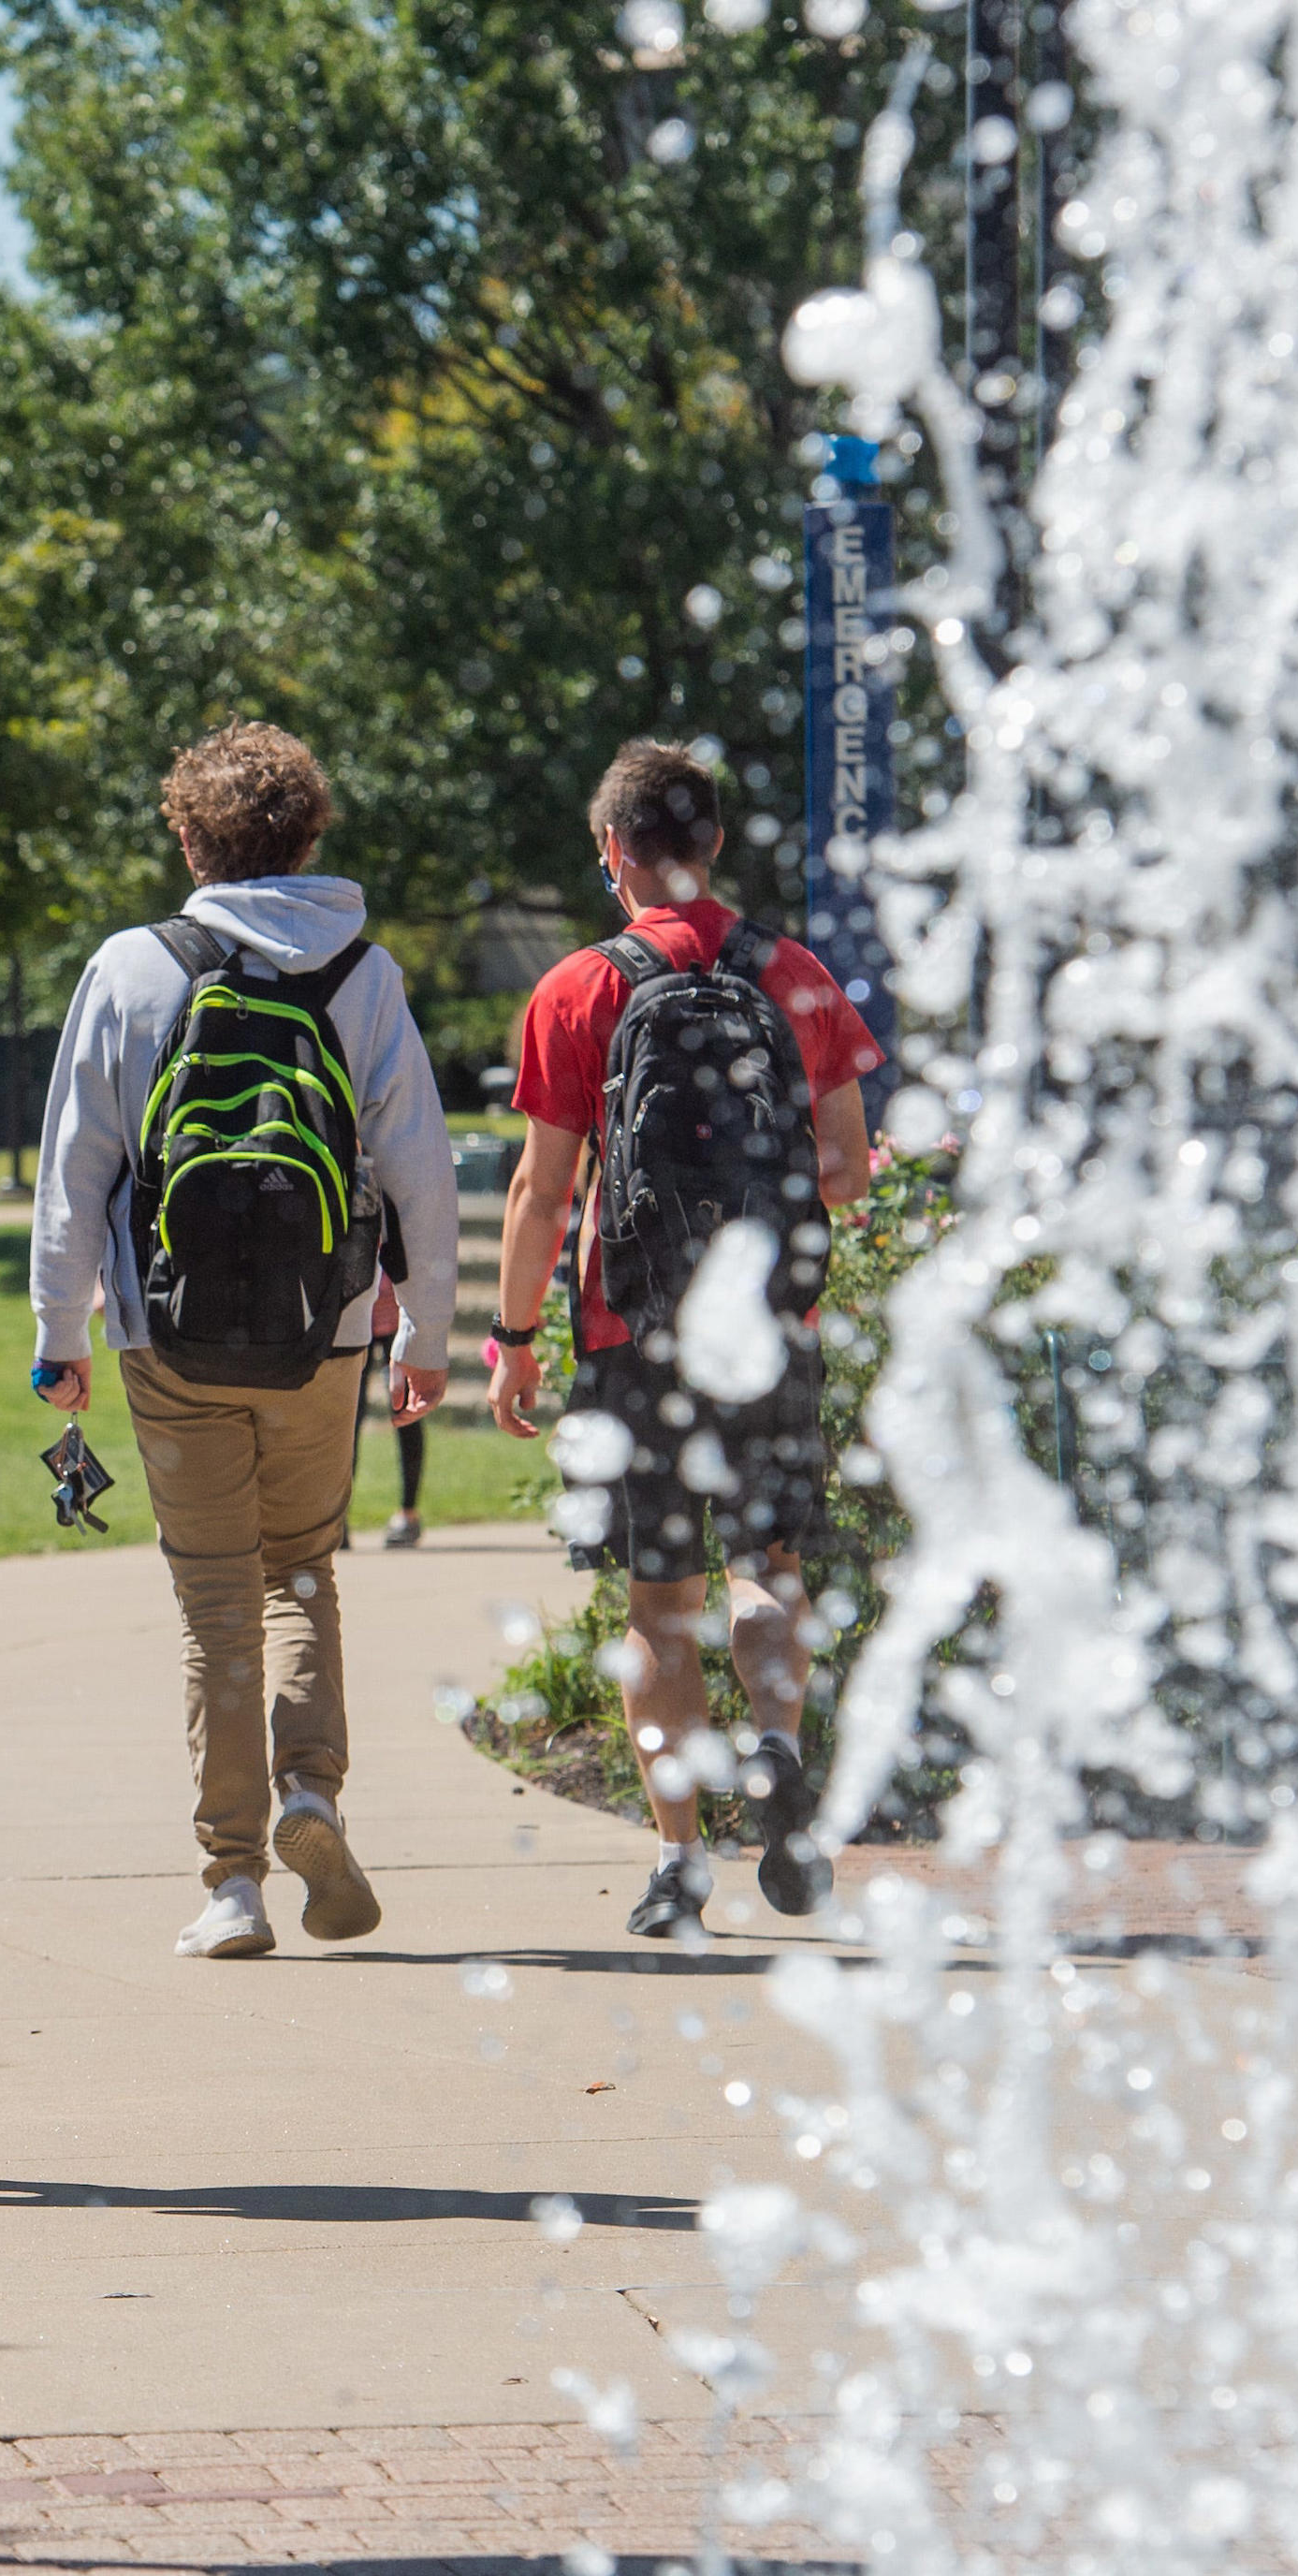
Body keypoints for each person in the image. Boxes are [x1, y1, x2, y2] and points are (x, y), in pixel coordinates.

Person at [27, 724, 460, 1961]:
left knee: (213, 1594)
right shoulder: (363, 977)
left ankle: (231, 1883)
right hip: (323, 1336)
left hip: (169, 1334)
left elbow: (75, 1172)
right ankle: (311, 1792)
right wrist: (422, 1334)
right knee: (303, 1567)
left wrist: (61, 1333)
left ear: (186, 836)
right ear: (313, 834)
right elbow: (419, 1168)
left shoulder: (129, 966)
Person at [487, 739, 882, 1938]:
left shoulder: (578, 988)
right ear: (712, 844)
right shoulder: (795, 973)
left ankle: (678, 1868)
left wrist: (514, 1337)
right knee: (769, 1570)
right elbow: (850, 1174)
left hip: (631, 1330)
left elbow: (543, 1193)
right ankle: (773, 1746)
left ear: (613, 853)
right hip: (768, 1332)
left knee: (658, 1607)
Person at [356, 1274, 430, 1550]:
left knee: (407, 1413)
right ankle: (336, 1517)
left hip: (402, 1312)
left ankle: (408, 1512)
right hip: (351, 1310)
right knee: (346, 1418)